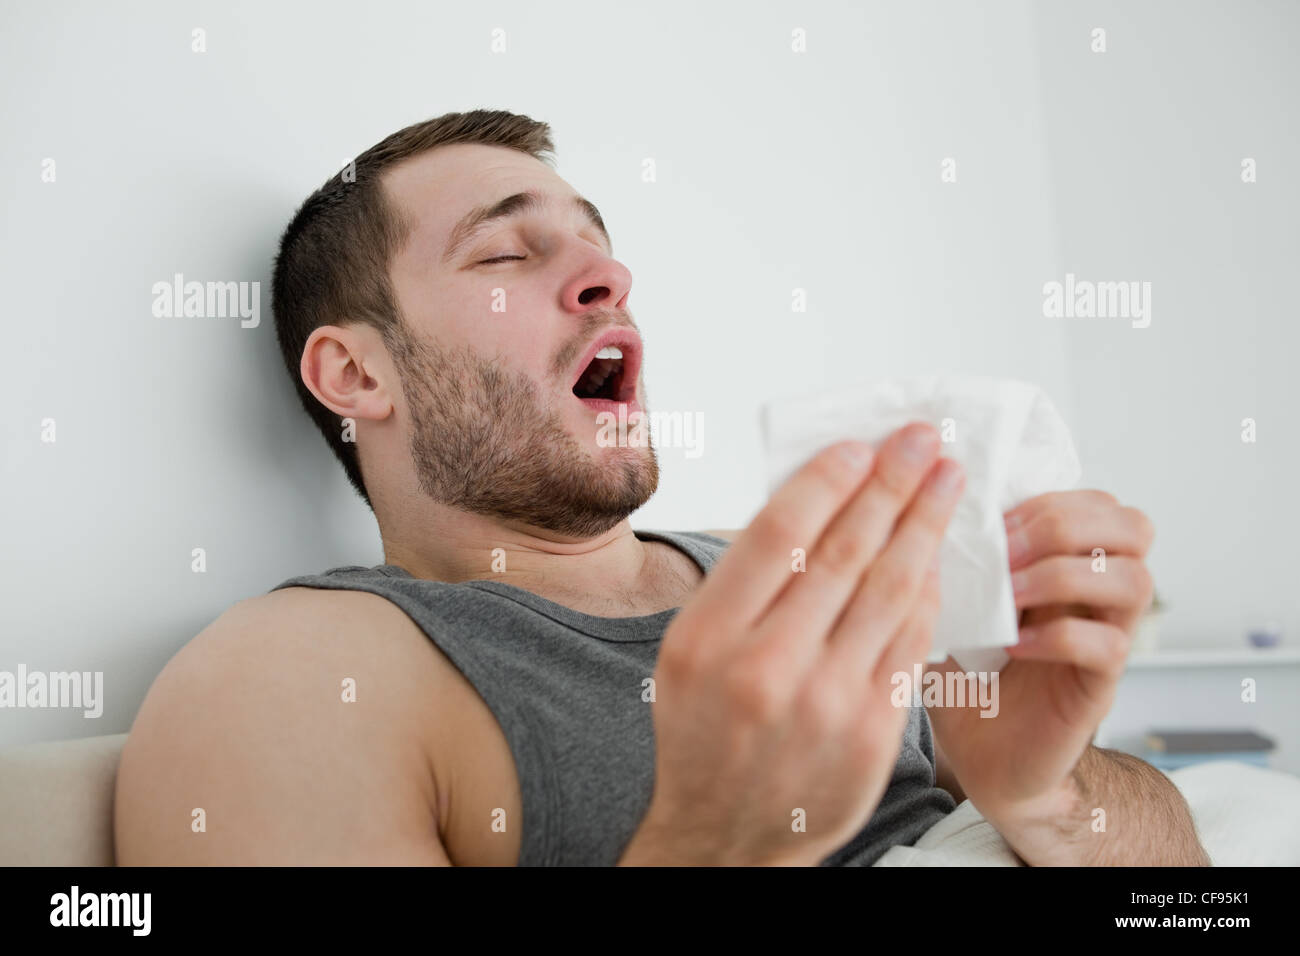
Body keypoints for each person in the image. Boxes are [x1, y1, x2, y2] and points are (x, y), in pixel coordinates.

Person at [114, 110, 1208, 866]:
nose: (611, 277)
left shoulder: (793, 571)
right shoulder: (297, 673)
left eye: (598, 244)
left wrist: (1043, 790)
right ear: (356, 373)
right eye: (503, 256)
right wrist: (717, 836)